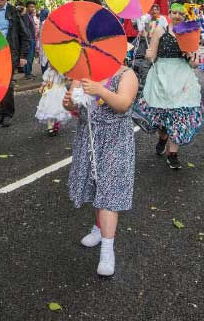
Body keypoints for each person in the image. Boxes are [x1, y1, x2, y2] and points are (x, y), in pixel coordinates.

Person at [62, 65, 139, 277]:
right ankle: (99, 228)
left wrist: (100, 90)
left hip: (115, 140)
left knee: (109, 191)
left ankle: (107, 249)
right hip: (88, 137)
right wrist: (68, 101)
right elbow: (72, 107)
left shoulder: (126, 74)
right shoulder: (83, 74)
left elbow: (123, 104)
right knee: (95, 186)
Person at [131, 2, 204, 170]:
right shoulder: (160, 30)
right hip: (161, 77)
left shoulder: (190, 33)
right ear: (169, 13)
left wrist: (193, 60)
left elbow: (194, 63)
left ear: (185, 16)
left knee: (178, 114)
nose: (177, 16)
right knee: (162, 114)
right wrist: (149, 55)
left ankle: (173, 154)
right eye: (174, 13)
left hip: (182, 77)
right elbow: (152, 57)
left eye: (181, 14)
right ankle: (163, 137)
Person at [35, 65, 70, 136]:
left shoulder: (61, 70)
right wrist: (42, 86)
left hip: (59, 91)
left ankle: (56, 125)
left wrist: (58, 70)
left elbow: (65, 77)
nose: (50, 64)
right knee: (49, 108)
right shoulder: (48, 71)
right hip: (50, 92)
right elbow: (45, 80)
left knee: (58, 108)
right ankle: (50, 127)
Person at [22, 0, 40, 79]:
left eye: (33, 7)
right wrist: (29, 39)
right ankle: (27, 74)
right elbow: (26, 29)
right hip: (29, 40)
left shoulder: (30, 16)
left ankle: (28, 72)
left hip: (32, 39)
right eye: (31, 7)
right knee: (29, 57)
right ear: (27, 7)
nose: (33, 8)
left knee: (31, 57)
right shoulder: (26, 16)